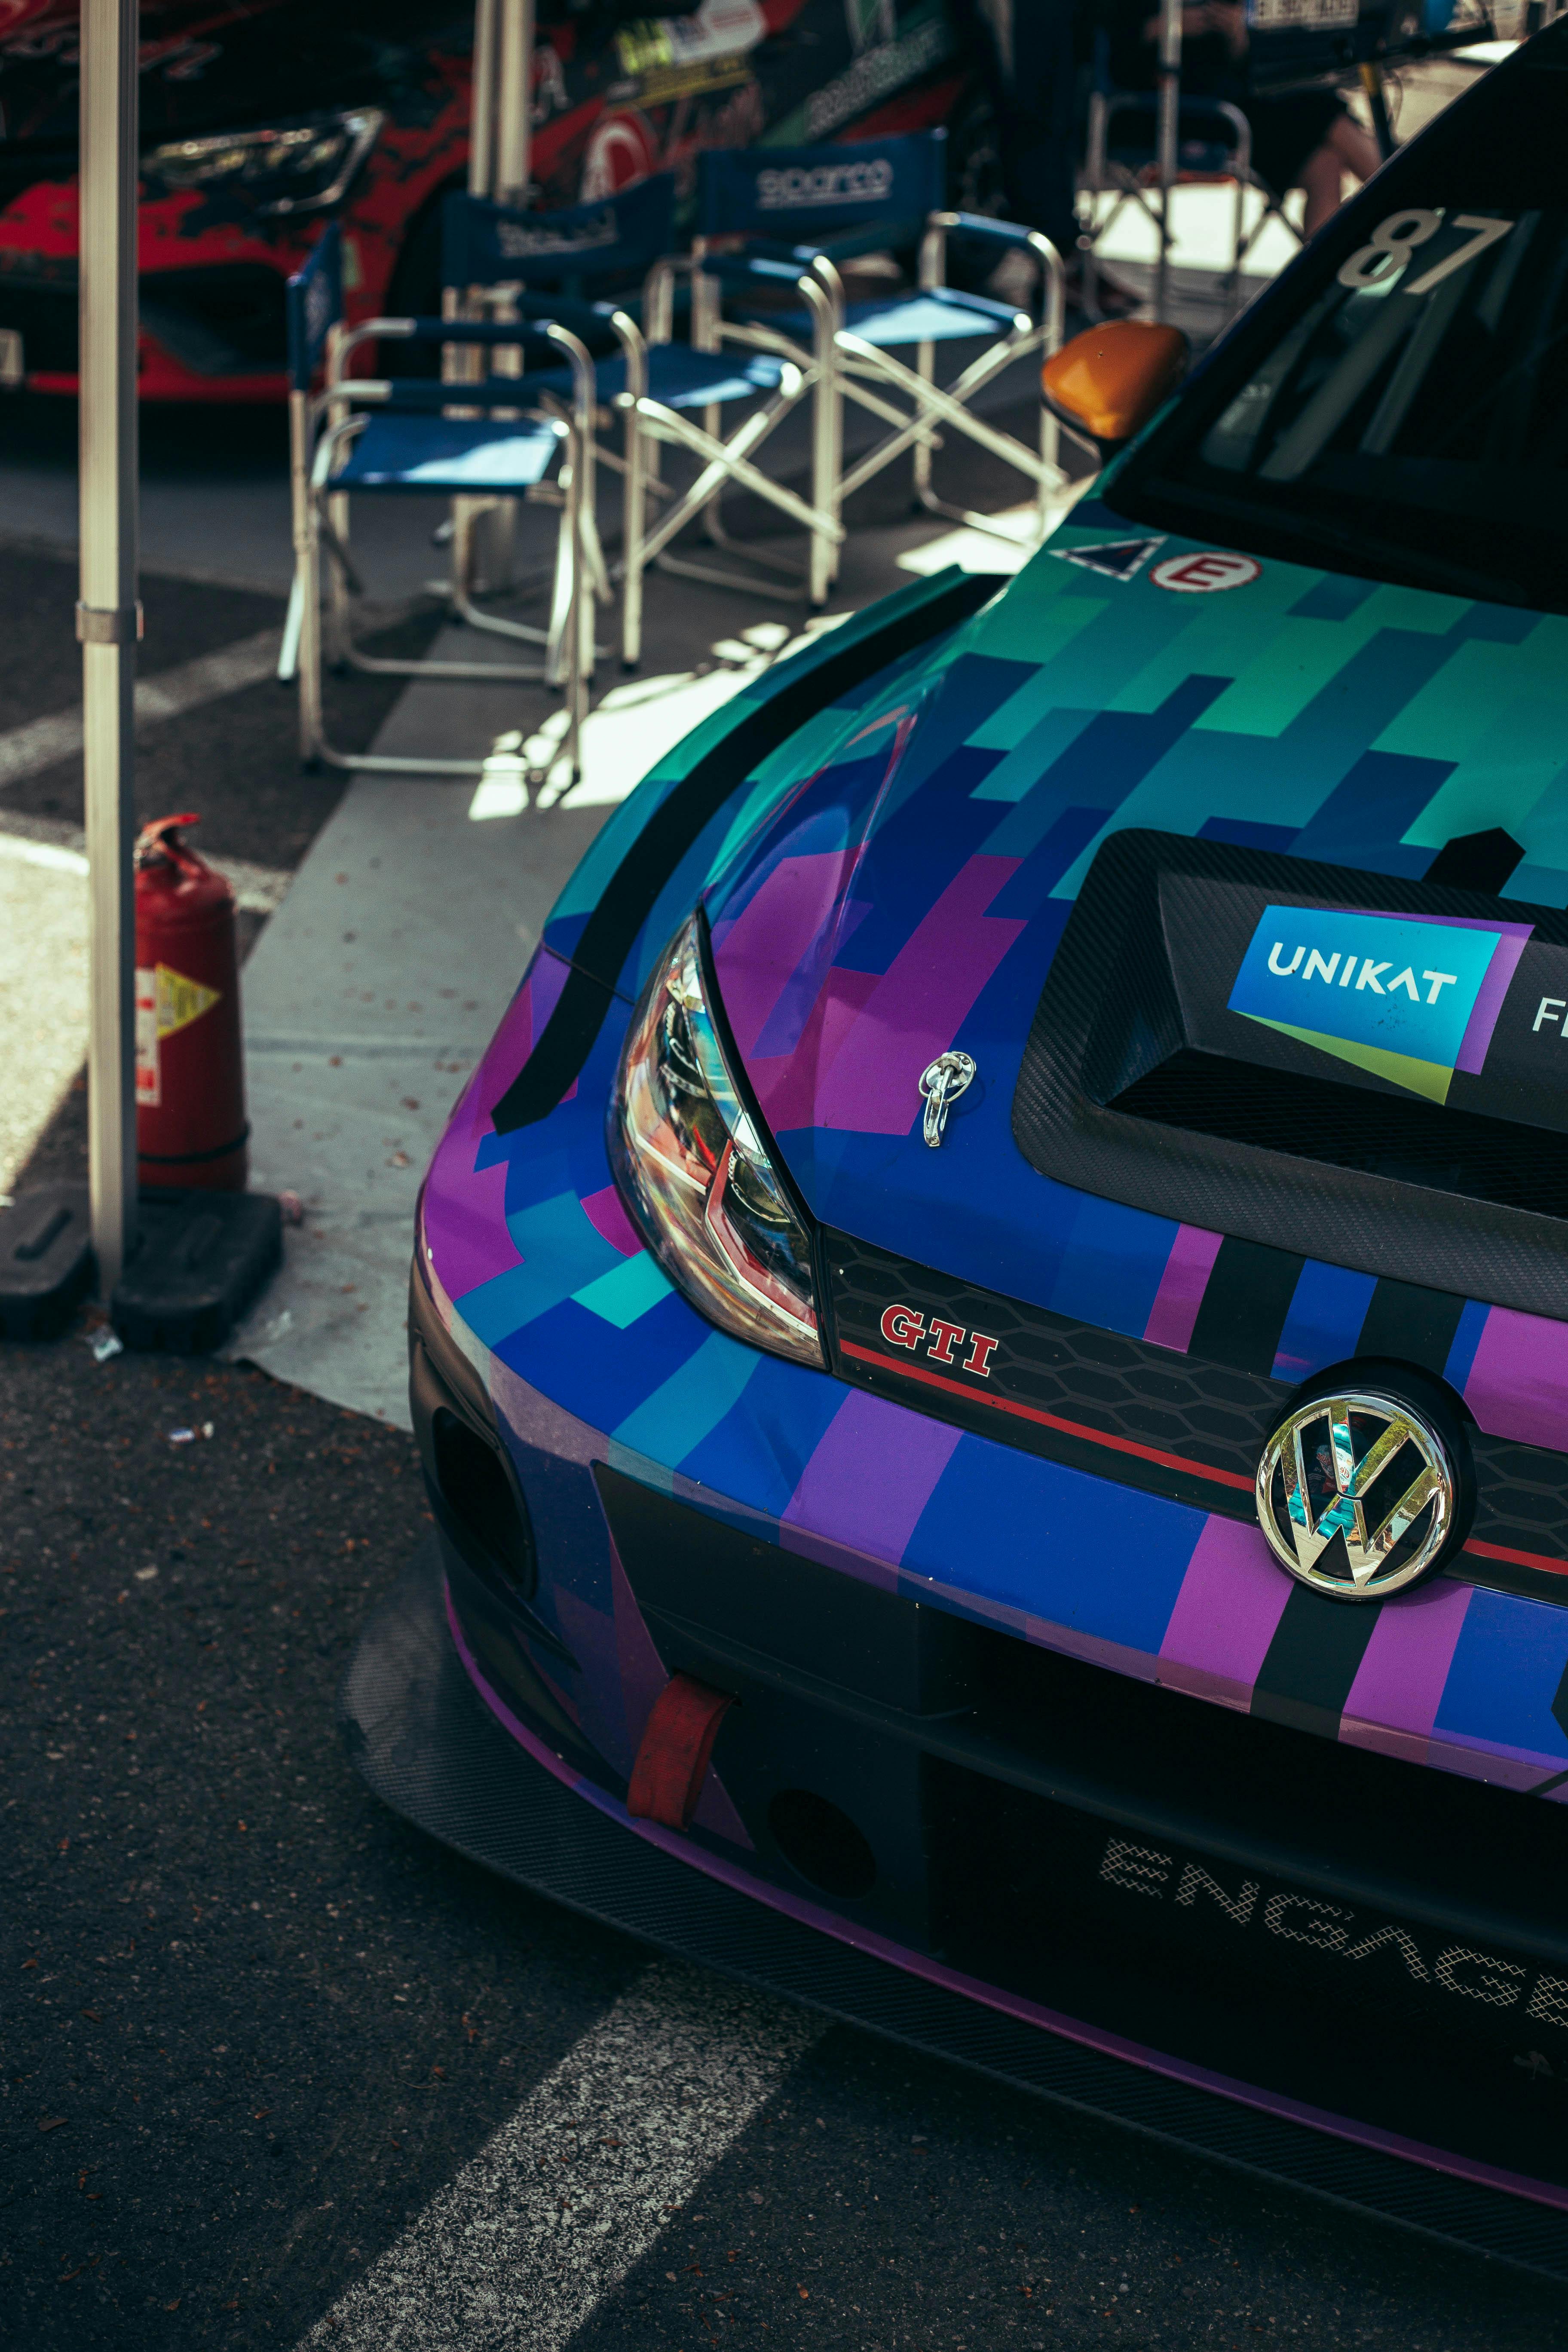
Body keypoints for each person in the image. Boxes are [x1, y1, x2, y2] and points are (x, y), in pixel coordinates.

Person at [1109, 0, 1383, 235]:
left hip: (1237, 108)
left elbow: (1243, 69)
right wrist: (1165, 26)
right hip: (1170, 112)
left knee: (1325, 161)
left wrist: (1236, 33)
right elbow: (1112, 59)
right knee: (1323, 113)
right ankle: (1408, 200)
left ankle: (1324, 280)